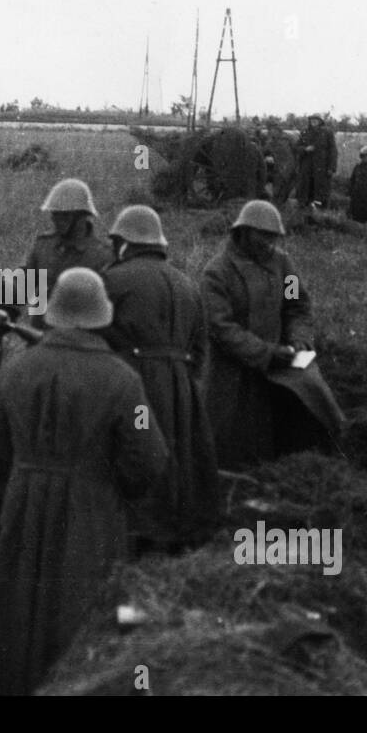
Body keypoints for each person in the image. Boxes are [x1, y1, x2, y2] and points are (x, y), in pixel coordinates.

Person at [0, 267, 170, 695]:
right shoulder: (124, 381)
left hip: (22, 502)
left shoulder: (17, 369)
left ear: (55, 315)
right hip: (93, 508)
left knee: (17, 598)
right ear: (101, 318)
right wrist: (120, 490)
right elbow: (150, 456)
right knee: (81, 605)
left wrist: (25, 471)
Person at [100, 206, 221, 552]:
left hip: (134, 381)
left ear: (125, 242)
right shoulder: (187, 284)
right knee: (177, 457)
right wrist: (183, 381)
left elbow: (94, 334)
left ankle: (135, 534)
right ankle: (174, 533)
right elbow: (201, 349)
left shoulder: (113, 280)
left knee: (134, 453)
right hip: (181, 386)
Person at [201, 200, 344, 468]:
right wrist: (267, 353)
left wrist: (299, 338)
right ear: (242, 232)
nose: (268, 243)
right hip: (234, 372)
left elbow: (296, 306)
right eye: (262, 236)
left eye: (273, 237)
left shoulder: (282, 265)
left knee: (315, 408)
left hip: (281, 366)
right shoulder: (217, 273)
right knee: (233, 446)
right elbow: (222, 328)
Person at [19, 178, 111, 328]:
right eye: (54, 214)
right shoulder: (43, 246)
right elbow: (23, 285)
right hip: (40, 339)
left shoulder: (103, 256)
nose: (55, 220)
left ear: (82, 216)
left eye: (63, 215)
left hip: (79, 342)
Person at [296, 114, 338, 208]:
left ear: (320, 121)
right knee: (305, 189)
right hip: (307, 167)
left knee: (321, 191)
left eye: (316, 120)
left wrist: (332, 167)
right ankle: (305, 209)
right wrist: (305, 149)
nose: (313, 122)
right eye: (312, 120)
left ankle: (321, 212)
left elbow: (333, 151)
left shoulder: (327, 133)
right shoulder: (305, 133)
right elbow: (297, 148)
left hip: (322, 167)